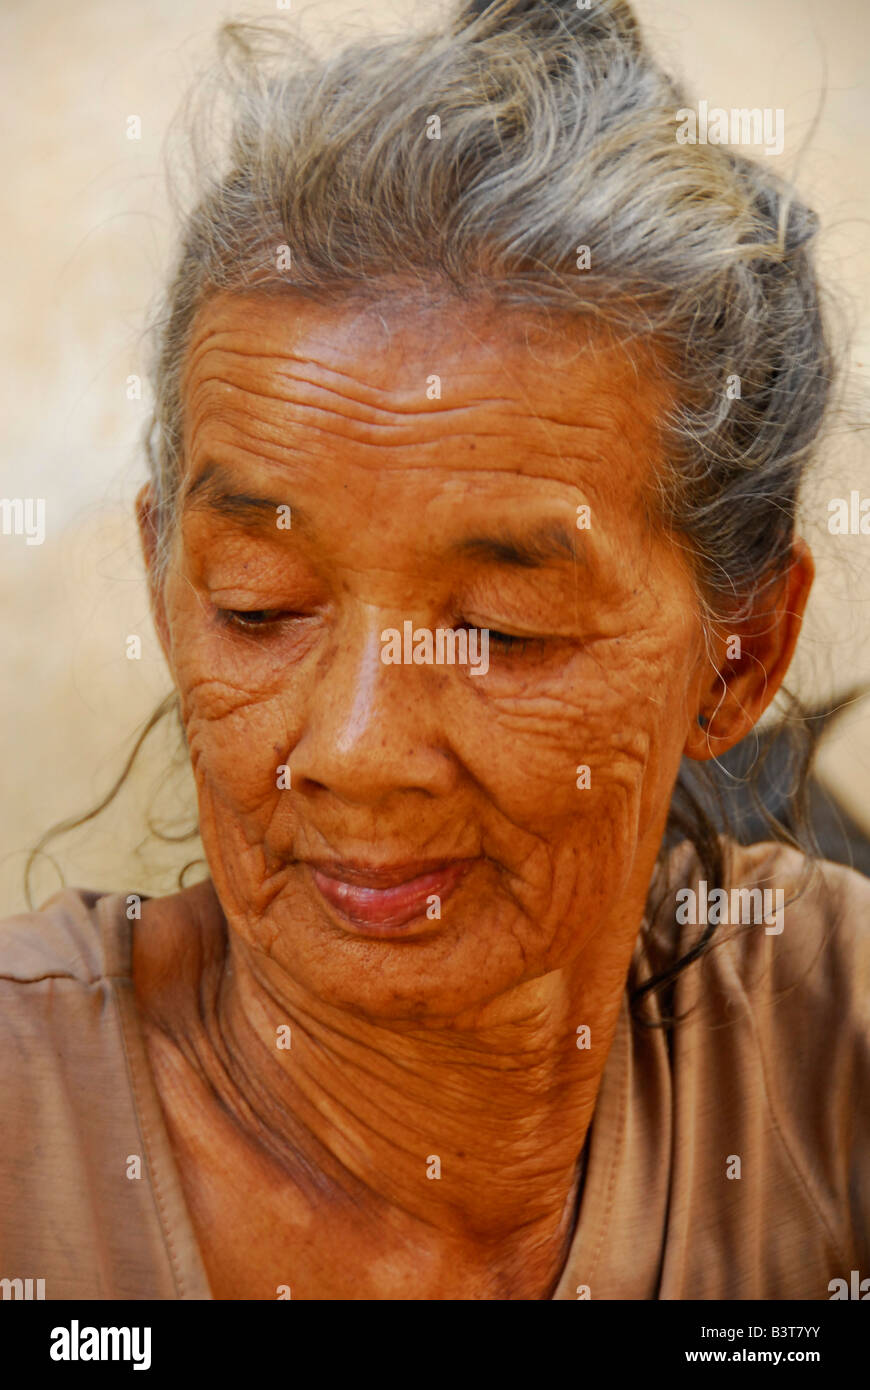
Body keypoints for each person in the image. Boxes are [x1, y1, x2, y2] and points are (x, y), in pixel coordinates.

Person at [1, 0, 867, 1301]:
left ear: (739, 654)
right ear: (166, 585)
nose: (354, 750)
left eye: (499, 631)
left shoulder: (829, 1058)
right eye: (258, 603)